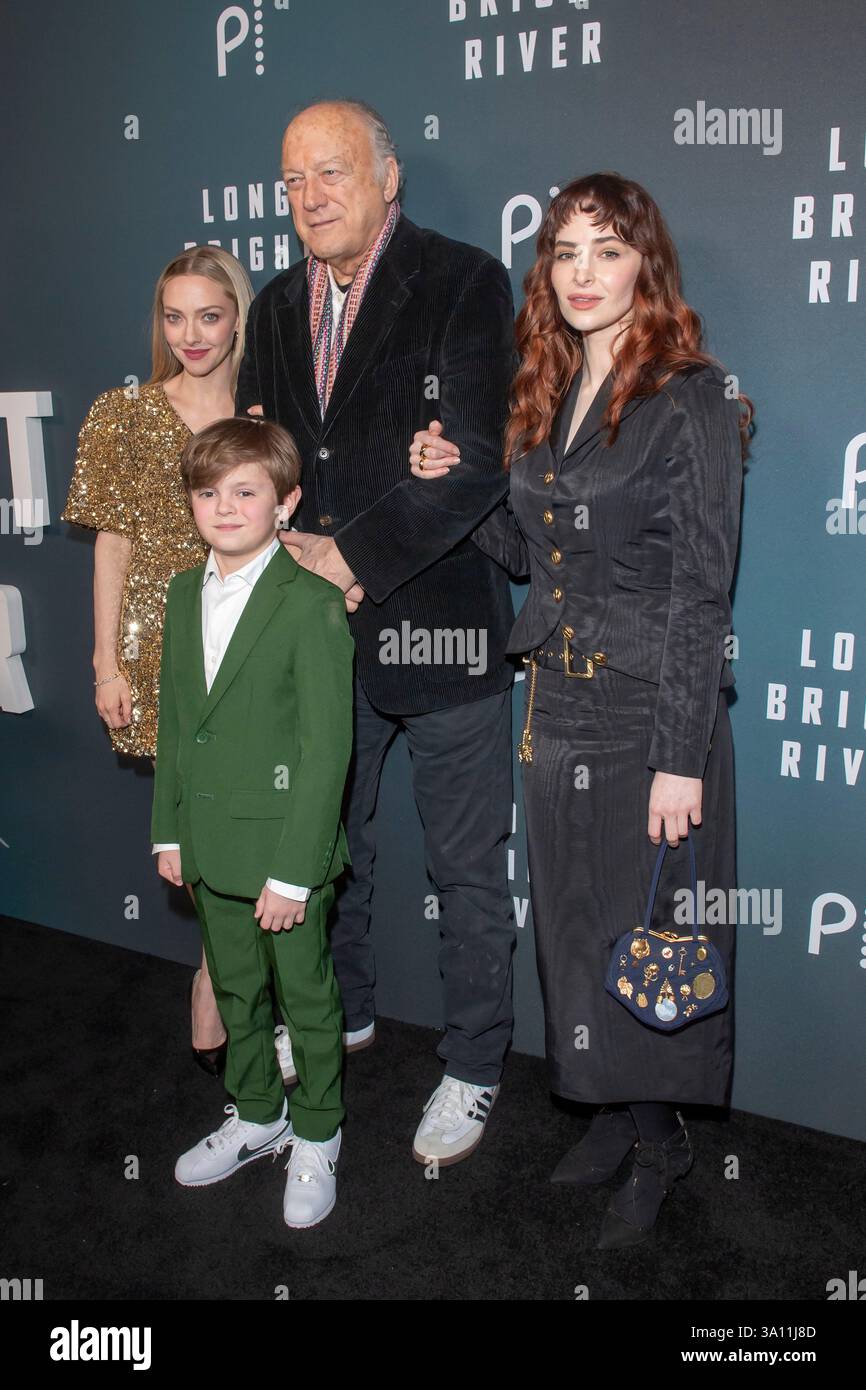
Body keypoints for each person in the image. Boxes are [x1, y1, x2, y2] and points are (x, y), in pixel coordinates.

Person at [410, 172, 750, 1245]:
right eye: (563, 252)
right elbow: (532, 559)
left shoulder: (686, 397)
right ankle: (611, 1113)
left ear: (644, 265)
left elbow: (701, 591)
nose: (582, 273)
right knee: (574, 933)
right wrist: (463, 481)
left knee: (645, 933)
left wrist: (680, 756)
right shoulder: (545, 393)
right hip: (552, 707)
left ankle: (663, 1143)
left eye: (606, 250)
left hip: (650, 717)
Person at [236, 99, 518, 1165]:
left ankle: (475, 1064)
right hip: (322, 640)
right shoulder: (270, 309)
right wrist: (296, 553)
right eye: (292, 180)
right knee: (323, 847)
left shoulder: (461, 281)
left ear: (385, 177)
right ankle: (338, 1015)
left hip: (441, 630)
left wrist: (344, 554)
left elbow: (475, 461)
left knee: (465, 870)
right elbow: (269, 463)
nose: (310, 197)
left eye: (331, 174)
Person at [151, 416, 354, 1228]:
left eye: (245, 492)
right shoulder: (176, 591)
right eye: (208, 492)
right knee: (236, 993)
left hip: (283, 858)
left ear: (287, 501)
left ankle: (318, 1133)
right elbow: (176, 721)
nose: (225, 507)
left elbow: (325, 751)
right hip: (207, 847)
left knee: (305, 999)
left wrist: (295, 870)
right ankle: (258, 1112)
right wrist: (170, 830)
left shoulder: (311, 605)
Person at [62, 246, 254, 1076]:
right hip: (163, 651)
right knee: (202, 833)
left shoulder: (270, 410)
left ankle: (240, 979)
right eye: (173, 318)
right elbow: (111, 544)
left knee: (262, 822)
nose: (190, 335)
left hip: (256, 645)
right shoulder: (124, 413)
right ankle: (215, 979)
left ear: (237, 315)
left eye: (208, 315)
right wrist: (106, 663)